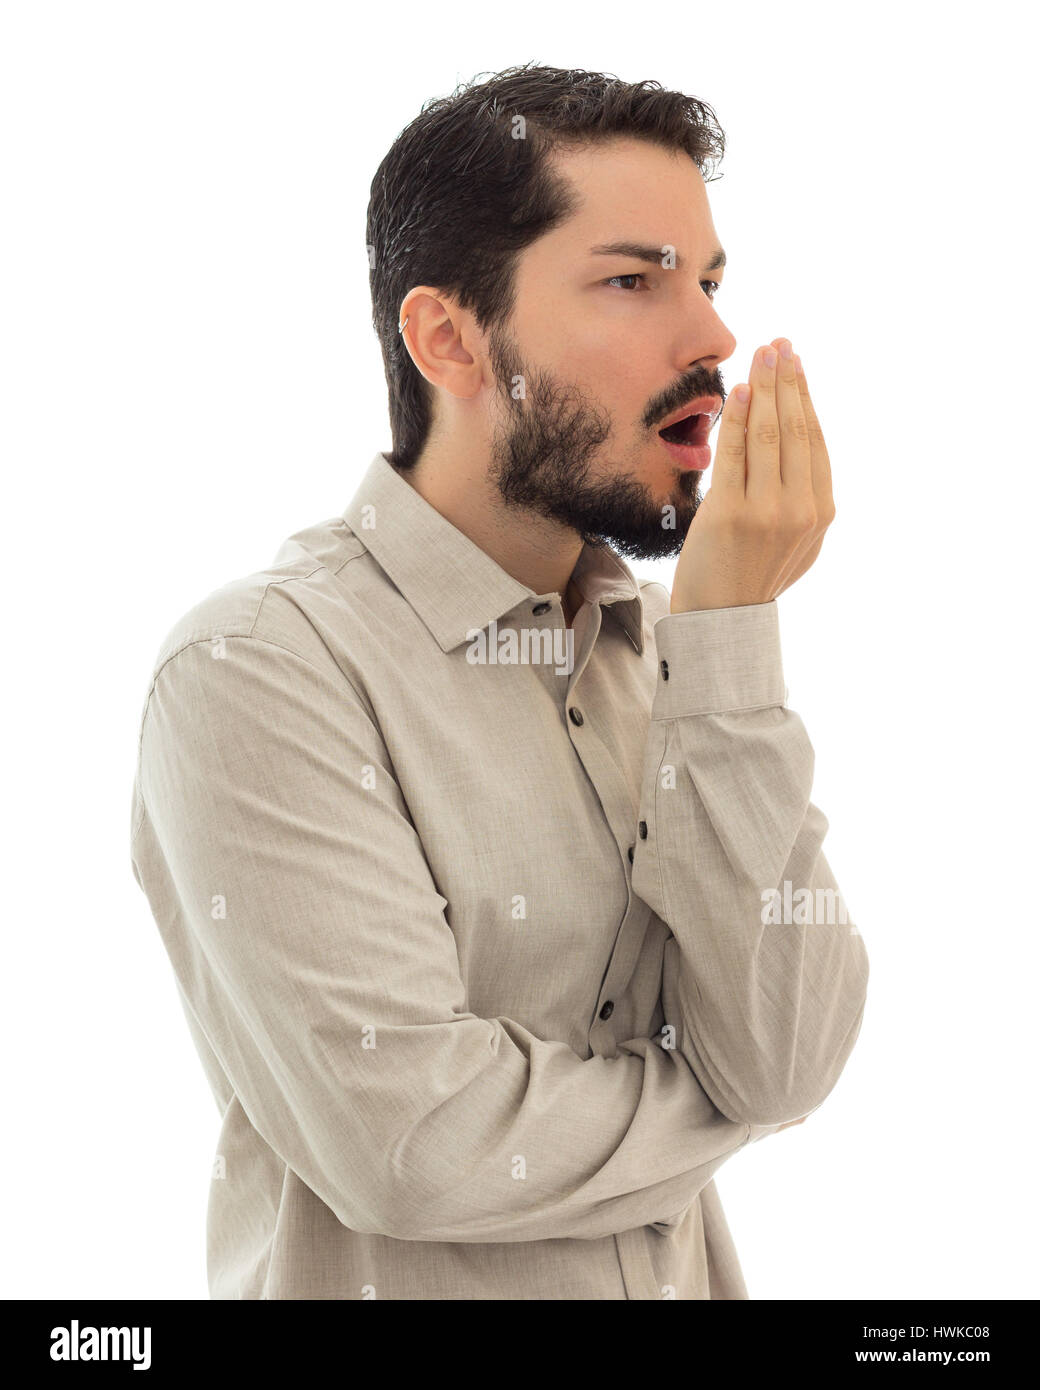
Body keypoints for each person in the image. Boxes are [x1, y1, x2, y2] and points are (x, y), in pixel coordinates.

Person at [130, 62, 869, 1300]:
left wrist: (731, 630)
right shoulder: (257, 670)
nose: (711, 338)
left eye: (708, 281)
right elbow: (413, 1143)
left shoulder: (676, 655)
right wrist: (728, 1102)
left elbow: (785, 1048)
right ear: (449, 340)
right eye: (632, 280)